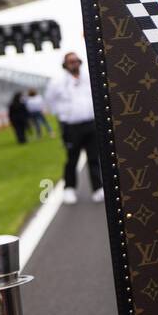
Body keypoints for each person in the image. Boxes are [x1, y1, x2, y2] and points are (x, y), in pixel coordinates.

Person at [44, 51, 102, 204]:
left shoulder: (89, 77)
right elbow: (49, 101)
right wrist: (63, 115)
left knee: (94, 157)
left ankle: (98, 188)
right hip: (71, 126)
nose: (74, 63)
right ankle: (69, 188)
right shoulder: (57, 82)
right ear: (65, 64)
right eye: (70, 61)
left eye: (76, 61)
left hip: (90, 123)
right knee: (72, 158)